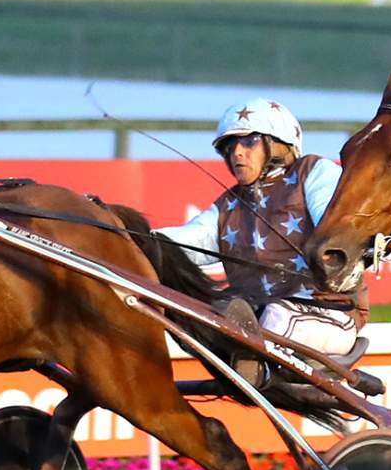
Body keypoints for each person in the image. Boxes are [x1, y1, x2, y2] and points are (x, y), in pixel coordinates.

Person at [155, 97, 368, 380]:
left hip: (332, 316)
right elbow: (185, 241)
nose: (237, 154)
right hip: (259, 320)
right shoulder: (229, 204)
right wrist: (133, 236)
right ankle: (248, 361)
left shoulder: (313, 173)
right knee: (208, 309)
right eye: (230, 147)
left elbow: (334, 223)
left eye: (249, 142)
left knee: (276, 315)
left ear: (278, 144)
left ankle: (258, 372)